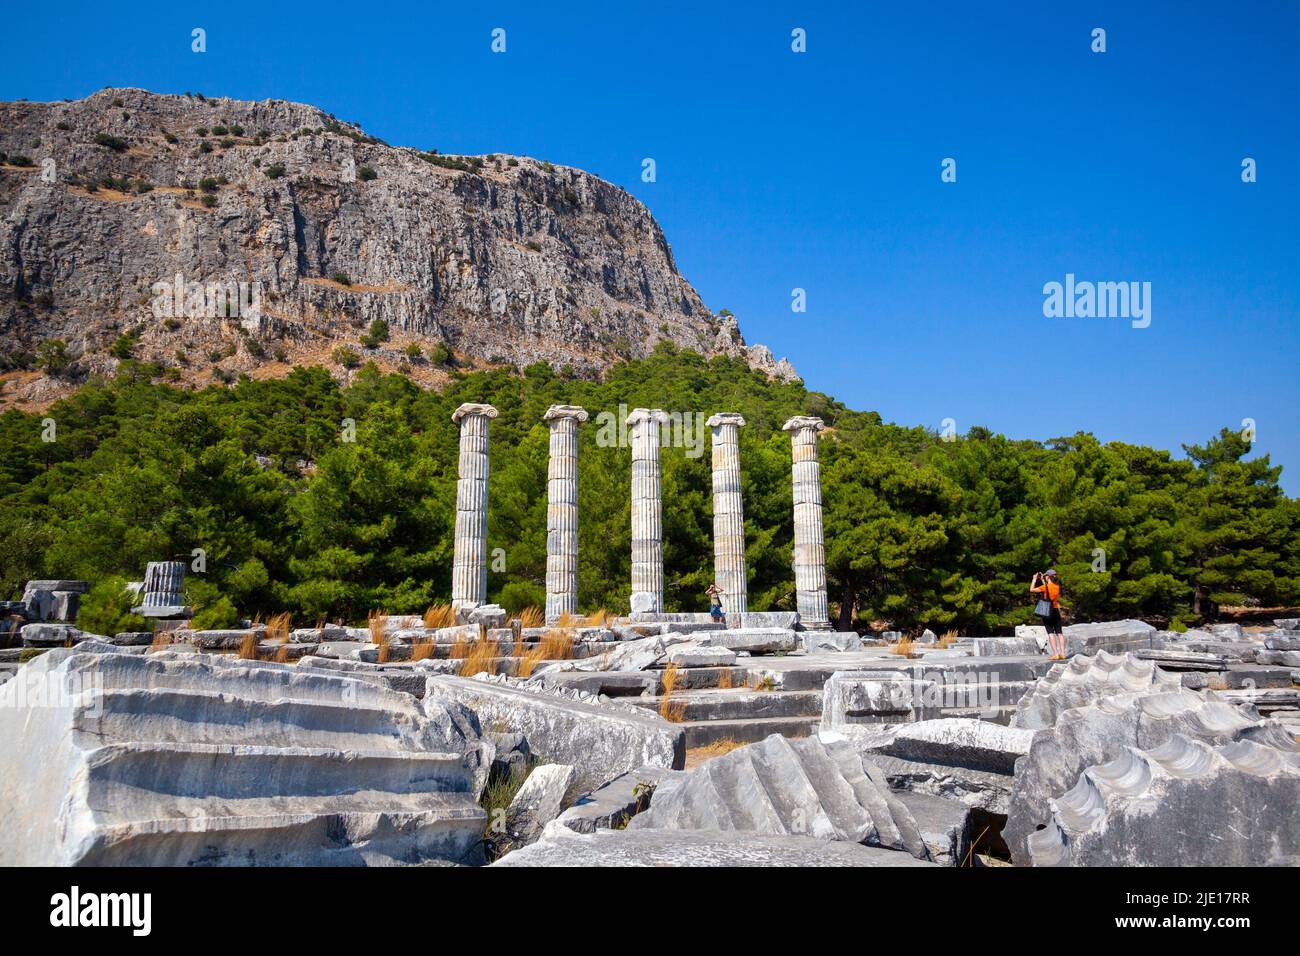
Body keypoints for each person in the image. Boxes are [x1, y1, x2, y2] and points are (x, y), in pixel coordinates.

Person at [1030, 570, 1065, 659]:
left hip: (1047, 611)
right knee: (1059, 633)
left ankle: (1056, 654)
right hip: (1056, 610)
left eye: (1046, 576)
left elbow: (1032, 589)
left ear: (1048, 577)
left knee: (1050, 633)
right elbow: (1048, 588)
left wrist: (1034, 579)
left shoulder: (1045, 587)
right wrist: (1043, 579)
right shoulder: (1057, 586)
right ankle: (1063, 653)